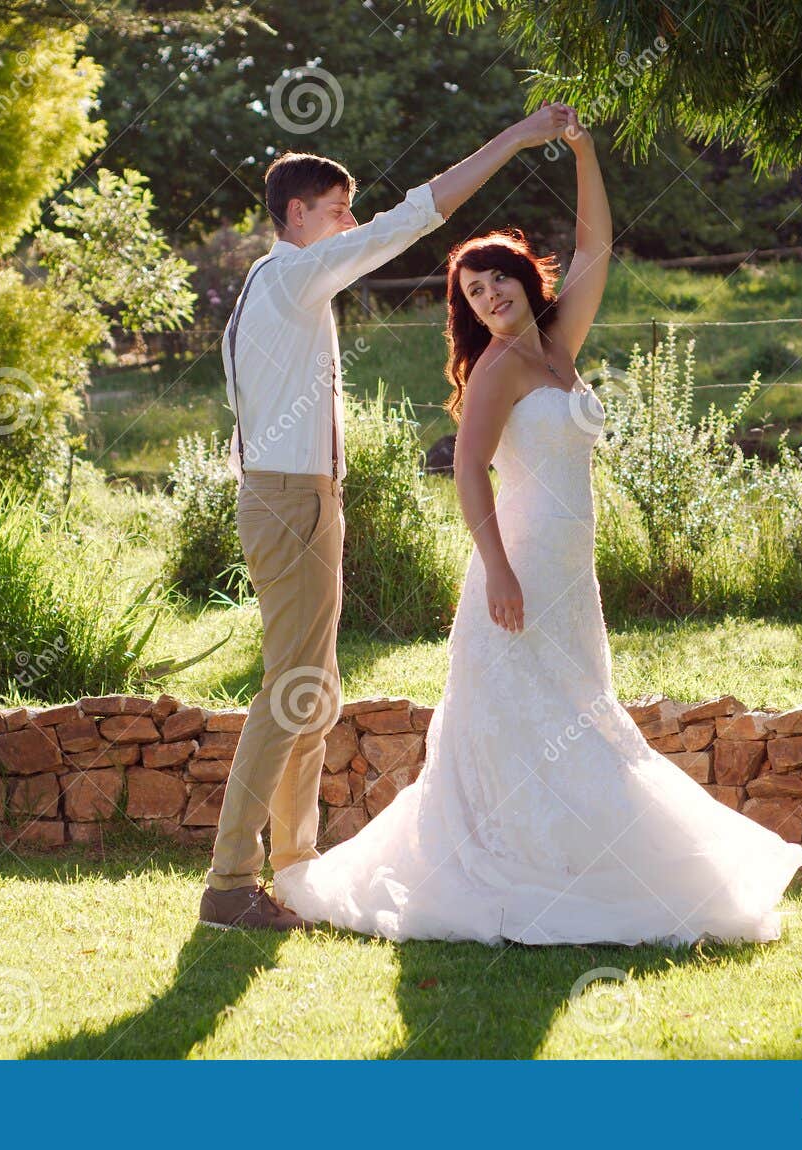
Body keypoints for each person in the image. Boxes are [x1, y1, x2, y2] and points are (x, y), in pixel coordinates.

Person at [271, 107, 802, 946]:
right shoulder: (494, 371)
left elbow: (600, 247)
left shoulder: (559, 344)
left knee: (578, 714)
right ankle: (521, 869)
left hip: (570, 572)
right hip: (516, 569)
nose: (488, 299)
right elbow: (465, 469)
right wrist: (499, 571)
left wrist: (585, 148)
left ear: (527, 280)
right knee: (521, 728)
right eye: (473, 294)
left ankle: (573, 863)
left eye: (497, 282)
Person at [199, 103, 578, 931]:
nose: (353, 222)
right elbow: (418, 213)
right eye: (340, 210)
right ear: (299, 214)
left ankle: (294, 865)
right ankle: (230, 883)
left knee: (314, 688)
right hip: (287, 495)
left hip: (296, 494)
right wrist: (516, 138)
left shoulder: (284, 286)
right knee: (290, 686)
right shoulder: (295, 276)